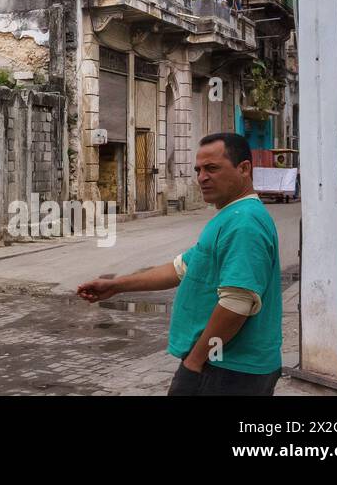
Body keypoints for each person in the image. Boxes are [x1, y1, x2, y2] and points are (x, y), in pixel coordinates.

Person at [75, 132, 283, 395]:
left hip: (229, 368)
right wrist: (116, 286)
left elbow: (236, 303)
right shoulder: (231, 216)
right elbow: (180, 268)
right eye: (198, 170)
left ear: (244, 169)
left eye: (212, 168)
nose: (202, 178)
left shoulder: (244, 222)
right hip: (223, 365)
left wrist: (195, 361)